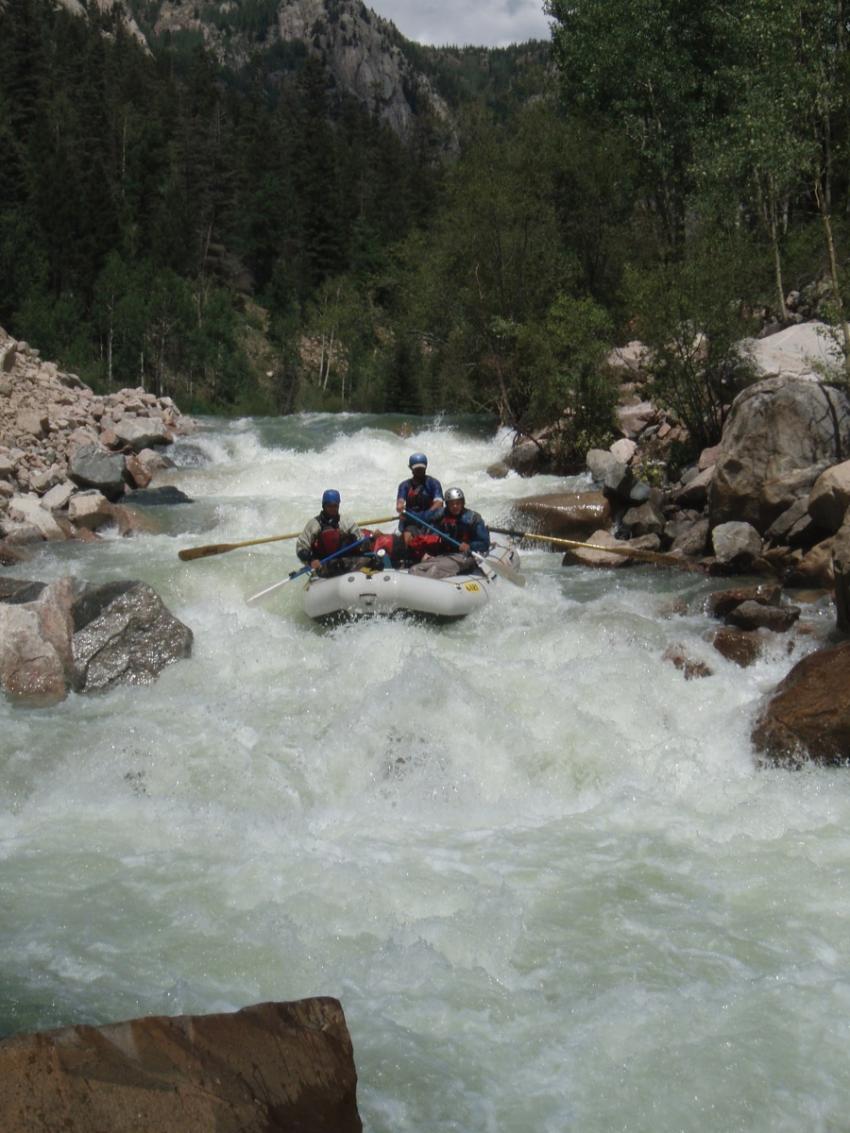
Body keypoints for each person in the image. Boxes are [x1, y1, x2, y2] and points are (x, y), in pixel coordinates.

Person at [408, 487, 490, 579]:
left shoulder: (473, 518)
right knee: (414, 569)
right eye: (452, 504)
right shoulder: (441, 514)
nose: (455, 506)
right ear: (447, 504)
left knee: (433, 570)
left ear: (463, 503)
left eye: (458, 503)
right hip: (445, 556)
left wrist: (469, 546)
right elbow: (424, 517)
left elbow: (484, 543)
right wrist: (407, 513)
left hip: (465, 556)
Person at [296, 489, 368, 576]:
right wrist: (311, 560)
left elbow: (361, 539)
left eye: (335, 506)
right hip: (324, 564)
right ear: (324, 506)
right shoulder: (314, 524)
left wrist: (365, 543)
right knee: (336, 565)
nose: (332, 509)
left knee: (373, 561)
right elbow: (301, 548)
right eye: (329, 506)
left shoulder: (346, 521)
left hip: (345, 560)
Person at [396, 453, 443, 535]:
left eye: (421, 468)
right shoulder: (404, 485)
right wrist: (400, 507)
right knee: (408, 535)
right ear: (410, 468)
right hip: (411, 520)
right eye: (417, 469)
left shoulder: (433, 483)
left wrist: (426, 515)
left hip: (430, 519)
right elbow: (400, 502)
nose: (419, 471)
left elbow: (439, 503)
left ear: (426, 466)